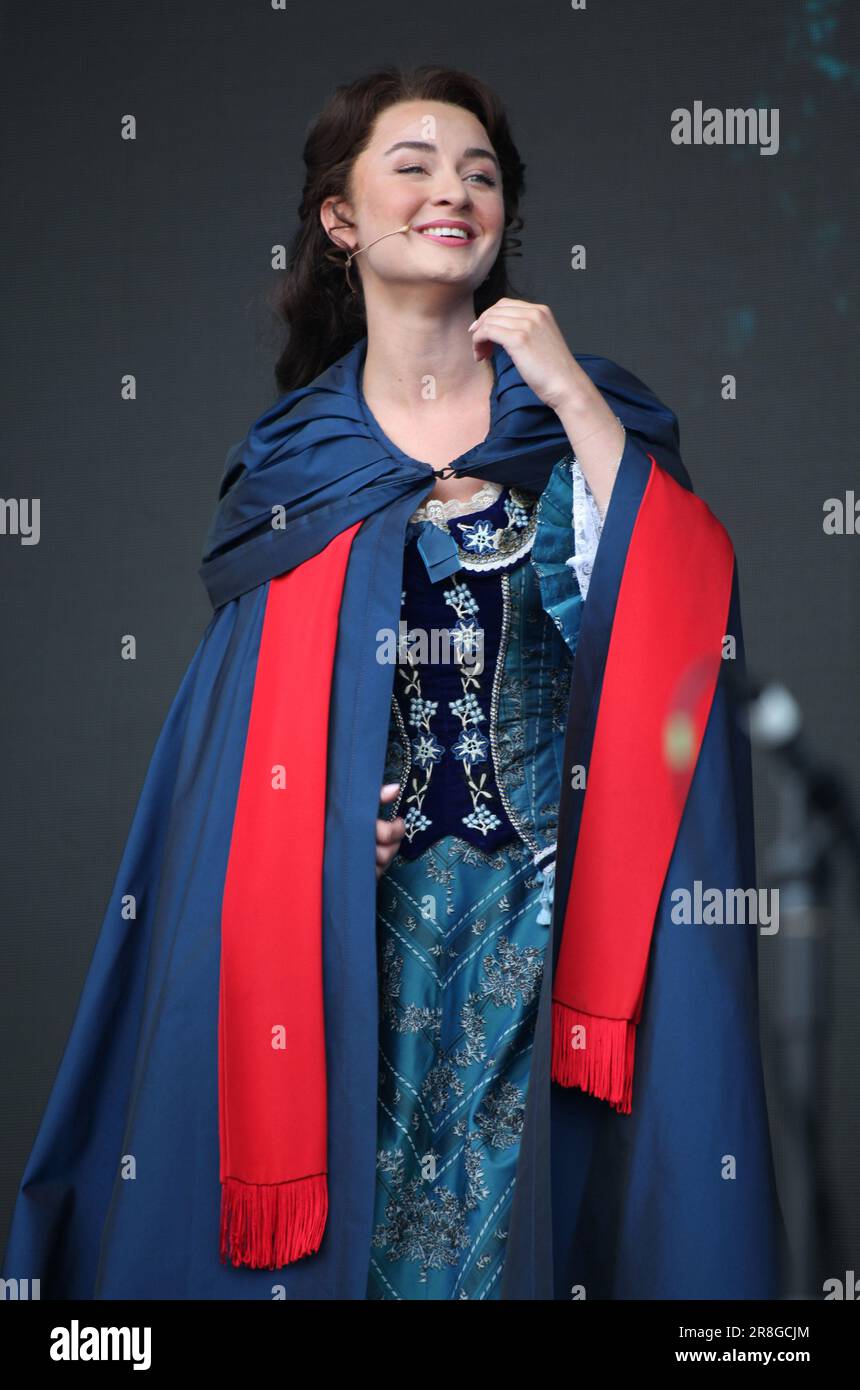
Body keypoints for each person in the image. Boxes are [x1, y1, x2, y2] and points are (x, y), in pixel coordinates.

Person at [2, 64, 782, 1301]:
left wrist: (570, 390)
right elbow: (225, 754)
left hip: (550, 922)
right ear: (338, 219)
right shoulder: (294, 464)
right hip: (352, 938)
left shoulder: (582, 416)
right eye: (411, 165)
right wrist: (304, 836)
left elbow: (679, 622)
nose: (451, 190)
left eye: (478, 173)